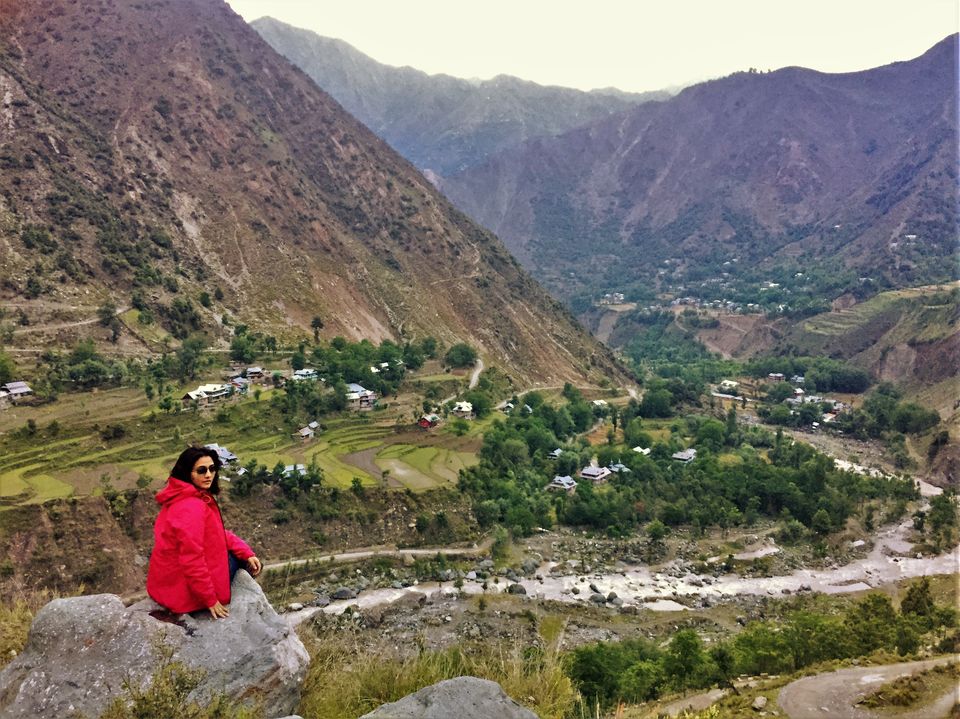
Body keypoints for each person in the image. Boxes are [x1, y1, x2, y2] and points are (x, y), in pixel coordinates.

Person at [147, 446, 262, 618]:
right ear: (188, 472)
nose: (208, 475)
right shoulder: (191, 507)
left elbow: (217, 533)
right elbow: (191, 559)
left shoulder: (181, 496)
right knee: (246, 564)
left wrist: (246, 552)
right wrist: (210, 600)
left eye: (212, 469)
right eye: (201, 470)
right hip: (182, 591)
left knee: (244, 557)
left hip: (169, 582)